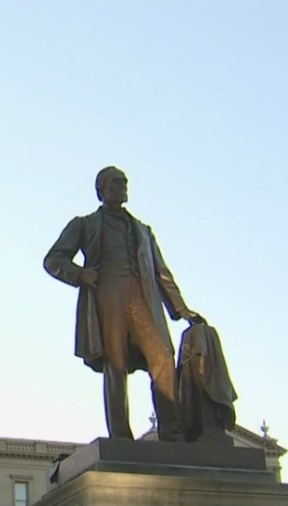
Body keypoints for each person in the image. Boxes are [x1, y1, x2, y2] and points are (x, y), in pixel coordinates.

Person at [44, 166, 202, 441]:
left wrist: (181, 308)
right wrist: (81, 274)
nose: (123, 187)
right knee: (115, 365)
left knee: (163, 357)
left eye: (125, 183)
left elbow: (161, 272)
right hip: (107, 297)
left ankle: (172, 433)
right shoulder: (84, 224)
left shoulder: (143, 230)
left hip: (142, 299)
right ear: (102, 190)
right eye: (117, 183)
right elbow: (53, 260)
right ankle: (121, 437)